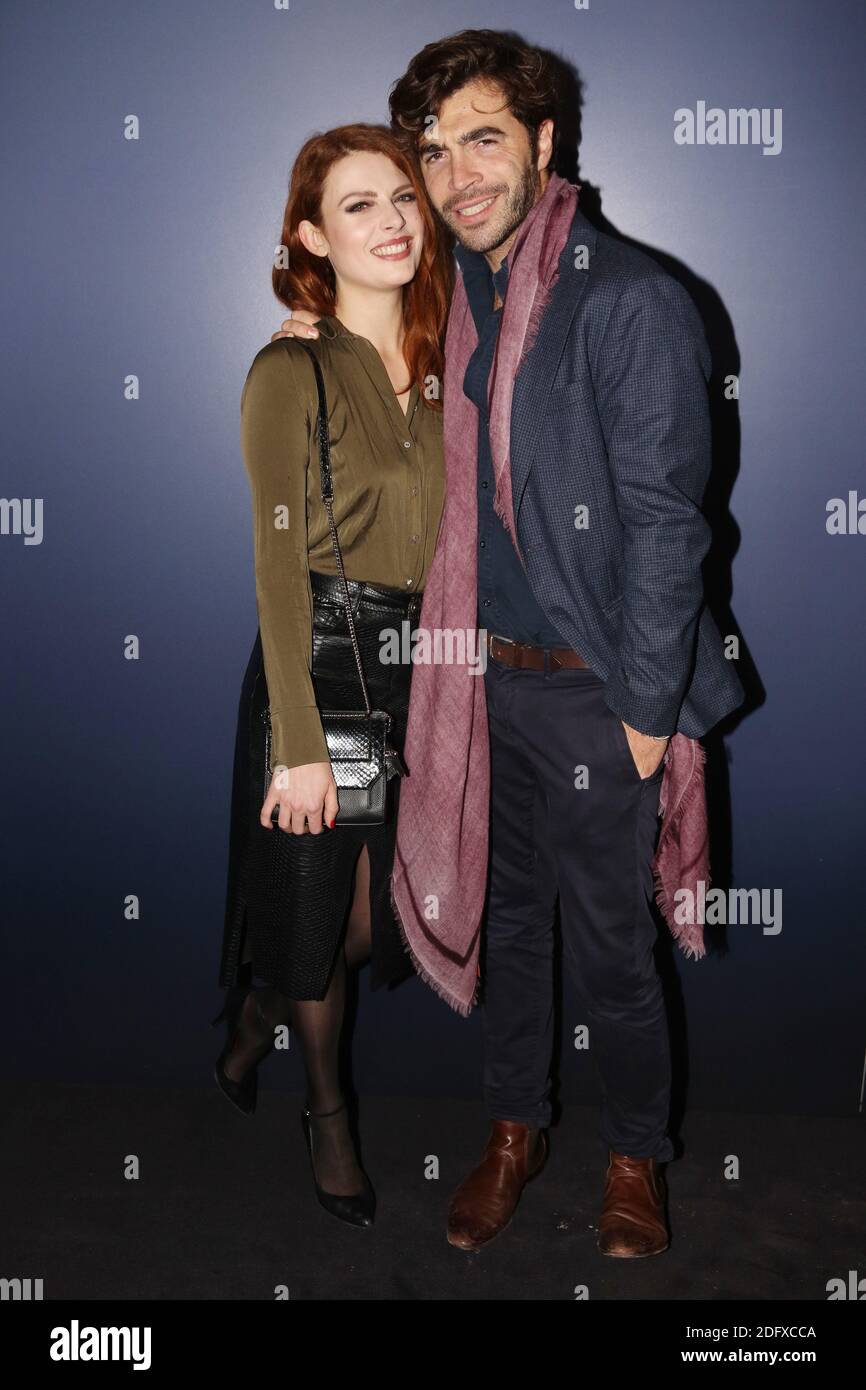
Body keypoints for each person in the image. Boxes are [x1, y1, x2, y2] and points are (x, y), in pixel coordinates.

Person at [275, 30, 745, 1256]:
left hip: (599, 699)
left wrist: (644, 715)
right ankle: (511, 1131)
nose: (453, 173)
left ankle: (635, 1154)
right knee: (507, 927)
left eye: (482, 138)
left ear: (544, 143)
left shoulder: (627, 296)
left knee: (611, 952)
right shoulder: (458, 305)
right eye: (432, 151)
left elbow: (663, 524)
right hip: (480, 689)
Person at [214, 123, 450, 1228]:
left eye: (401, 196)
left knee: (368, 927)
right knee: (317, 920)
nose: (393, 220)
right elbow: (274, 561)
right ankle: (325, 1114)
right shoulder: (288, 365)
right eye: (356, 205)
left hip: (423, 672)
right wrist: (298, 744)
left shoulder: (456, 363)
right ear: (310, 235)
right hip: (314, 662)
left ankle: (258, 1000)